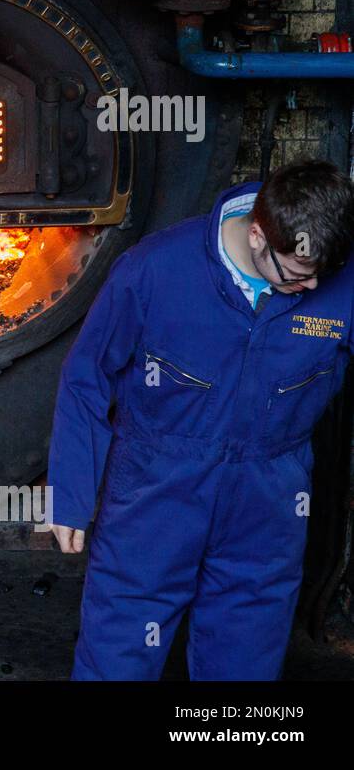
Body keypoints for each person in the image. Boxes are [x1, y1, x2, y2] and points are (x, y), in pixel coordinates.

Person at [46, 159, 354, 680]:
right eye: (299, 275)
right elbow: (87, 377)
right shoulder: (154, 271)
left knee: (246, 655)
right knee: (120, 645)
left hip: (270, 497)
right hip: (156, 489)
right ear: (258, 236)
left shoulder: (336, 280)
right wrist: (71, 496)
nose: (314, 286)